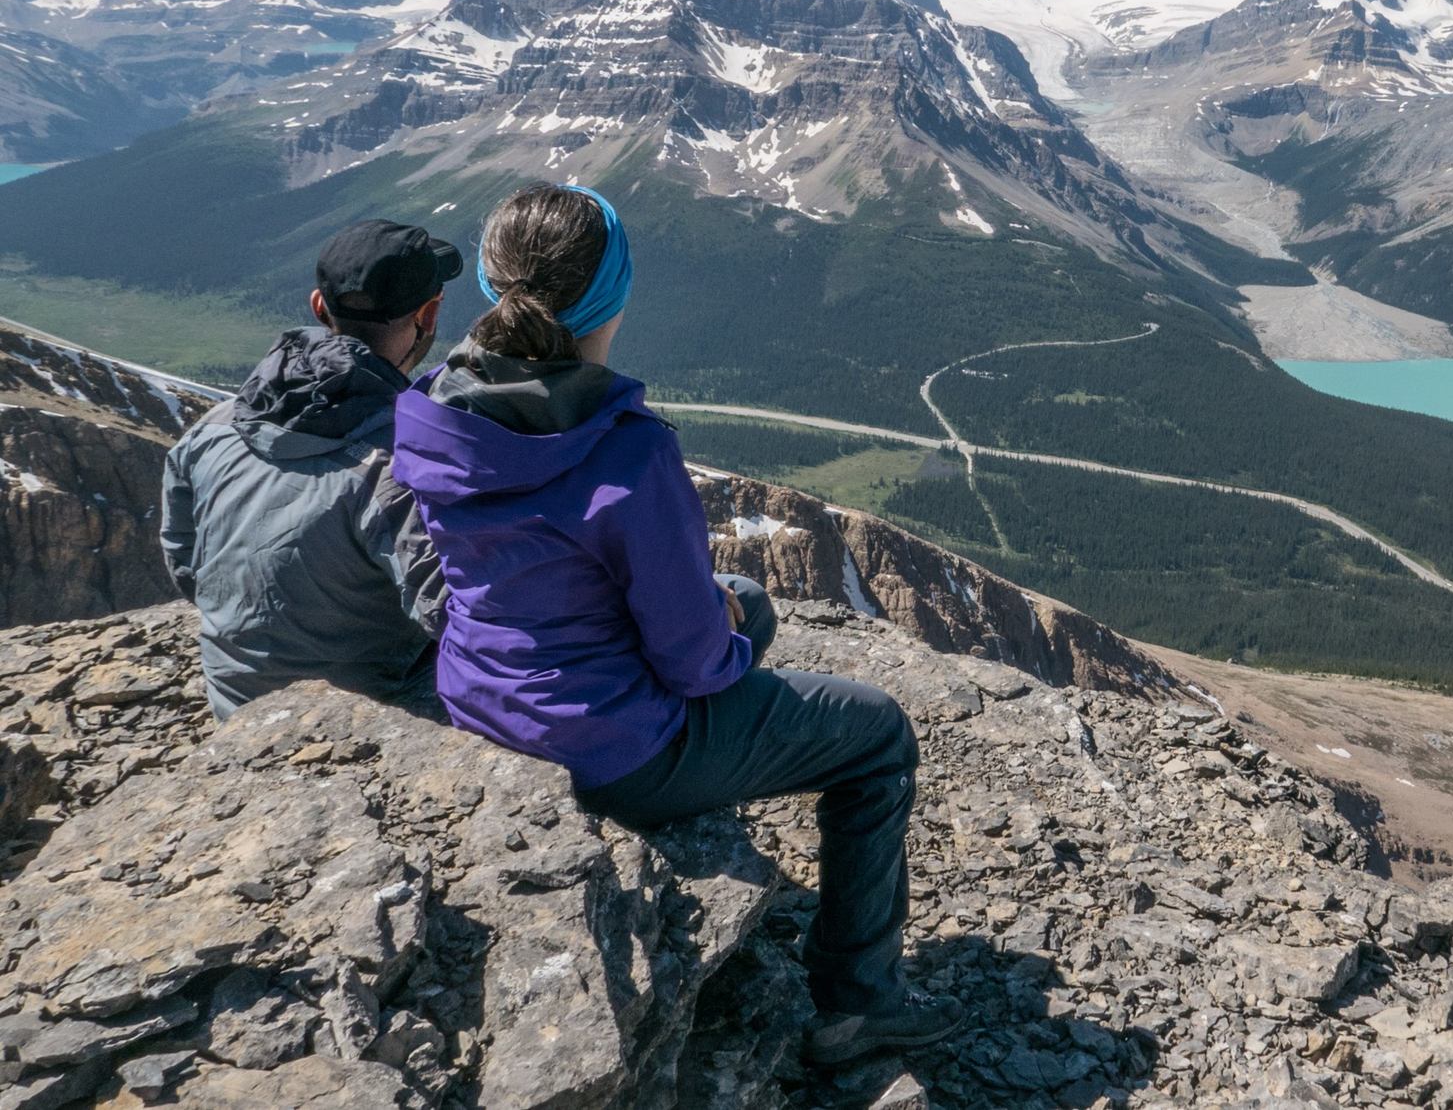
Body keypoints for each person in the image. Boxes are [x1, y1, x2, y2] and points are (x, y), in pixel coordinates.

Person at [389, 182, 959, 1067]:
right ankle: (860, 1002)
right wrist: (723, 632)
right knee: (876, 731)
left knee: (749, 603)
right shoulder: (623, 448)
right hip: (611, 749)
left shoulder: (434, 411)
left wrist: (728, 619)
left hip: (482, 705)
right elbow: (695, 664)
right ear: (610, 295)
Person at [161, 219, 460, 718]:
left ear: (319, 307)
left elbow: (185, 562)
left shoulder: (213, 427)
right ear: (428, 316)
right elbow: (454, 614)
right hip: (373, 719)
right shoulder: (401, 464)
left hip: (234, 706)